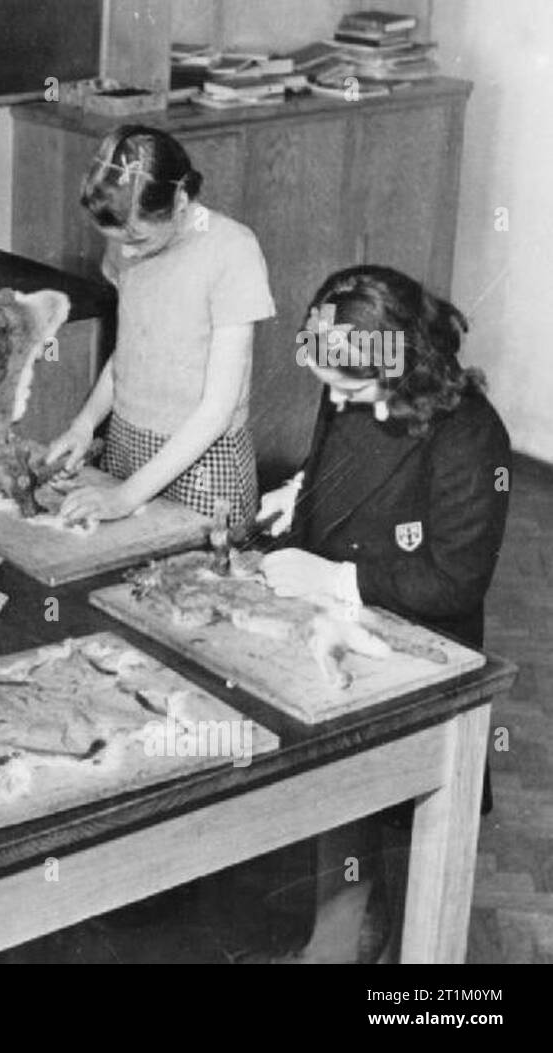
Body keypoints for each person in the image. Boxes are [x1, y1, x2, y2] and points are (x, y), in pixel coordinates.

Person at [256, 264, 511, 962]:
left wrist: (339, 577)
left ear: (406, 362)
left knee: (403, 814)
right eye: (328, 378)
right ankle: (339, 938)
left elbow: (455, 581)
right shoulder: (348, 381)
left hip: (420, 645)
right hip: (339, 620)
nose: (333, 396)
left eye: (351, 385)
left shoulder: (470, 435)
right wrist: (299, 490)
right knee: (340, 799)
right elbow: (338, 460)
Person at [47, 125, 275, 528]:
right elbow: (132, 348)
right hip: (126, 441)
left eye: (138, 238)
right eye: (117, 239)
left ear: (181, 200)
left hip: (203, 457)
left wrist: (124, 498)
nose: (127, 250)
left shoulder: (232, 249)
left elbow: (216, 410)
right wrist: (83, 424)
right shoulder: (126, 240)